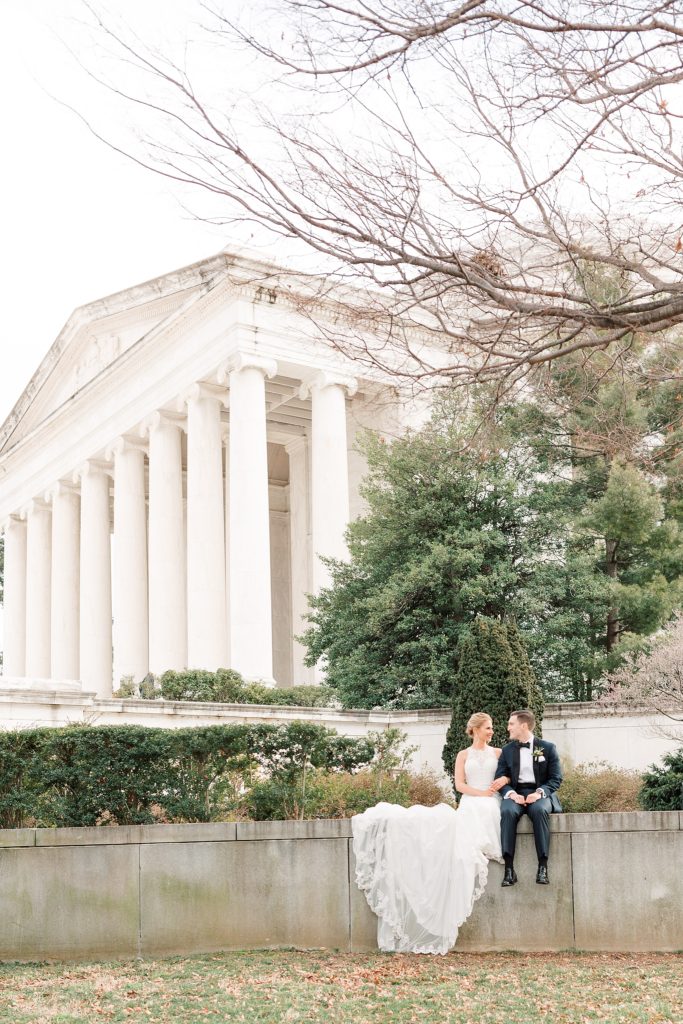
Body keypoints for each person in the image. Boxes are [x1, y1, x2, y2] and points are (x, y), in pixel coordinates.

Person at [351, 712, 508, 955]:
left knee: (487, 811)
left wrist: (498, 785)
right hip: (472, 797)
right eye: (488, 728)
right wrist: (480, 794)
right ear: (475, 730)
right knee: (464, 815)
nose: (491, 731)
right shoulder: (462, 755)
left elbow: (508, 773)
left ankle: (484, 844)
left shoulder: (498, 753)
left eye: (492, 728)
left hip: (491, 798)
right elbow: (459, 785)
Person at [494, 709, 563, 888]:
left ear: (523, 725)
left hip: (539, 793)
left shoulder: (547, 748)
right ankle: (509, 868)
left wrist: (538, 793)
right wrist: (511, 794)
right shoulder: (507, 750)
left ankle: (543, 866)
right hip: (515, 793)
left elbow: (556, 779)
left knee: (539, 810)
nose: (508, 727)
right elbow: (500, 778)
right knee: (507, 811)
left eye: (511, 724)